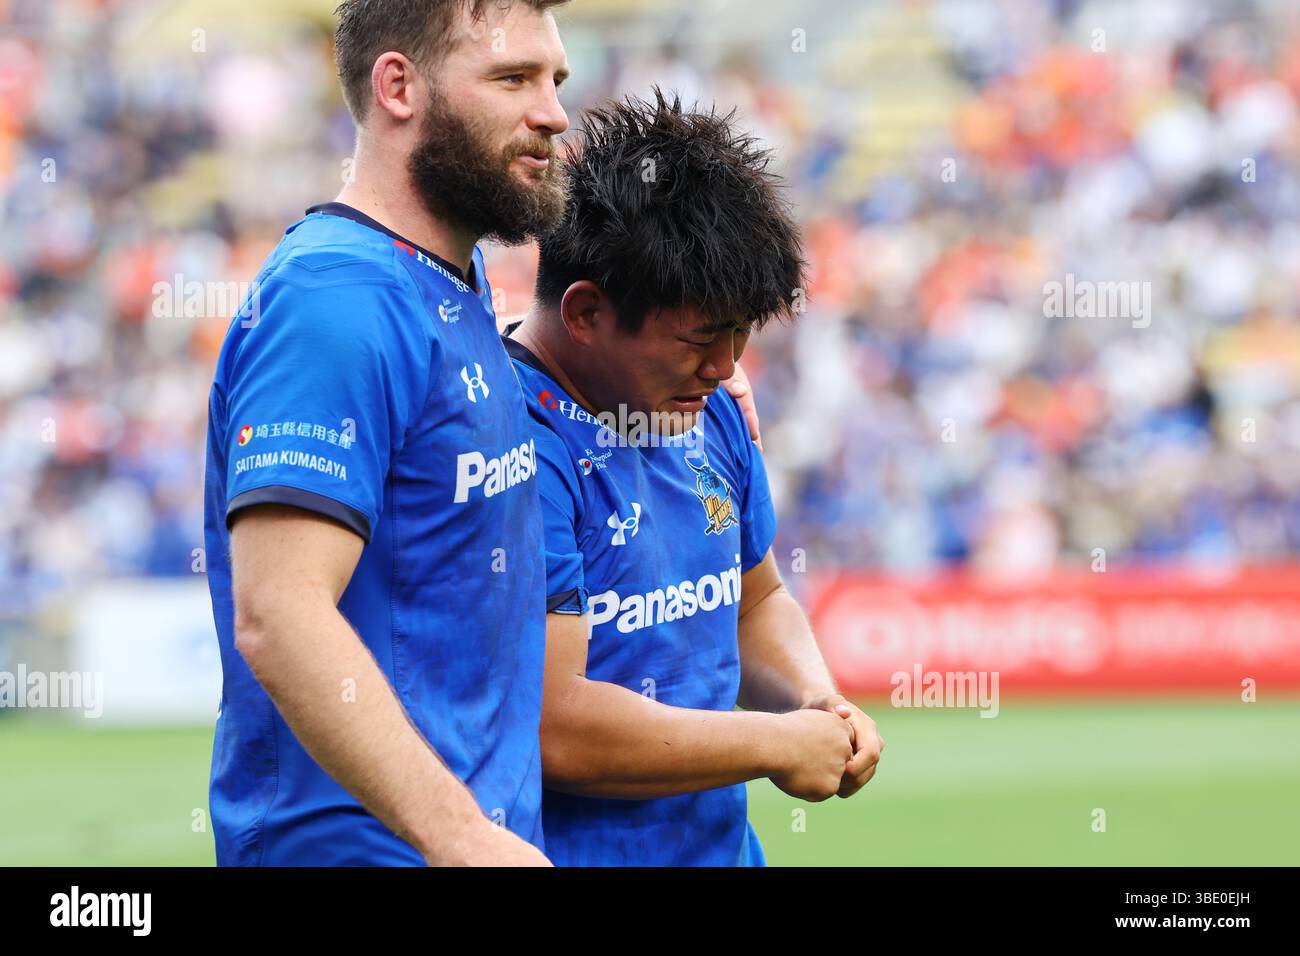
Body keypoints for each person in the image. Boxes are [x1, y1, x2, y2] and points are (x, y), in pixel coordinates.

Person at [203, 0, 571, 866]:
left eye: (555, 79)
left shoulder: (451, 274)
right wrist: (460, 836)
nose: (552, 110)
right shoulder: (332, 300)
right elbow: (279, 610)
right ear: (398, 85)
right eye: (513, 77)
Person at [504, 90, 886, 866]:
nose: (726, 368)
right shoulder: (507, 448)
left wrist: (817, 703)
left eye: (742, 336)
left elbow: (755, 602)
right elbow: (556, 726)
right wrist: (776, 742)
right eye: (702, 339)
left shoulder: (706, 409)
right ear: (584, 312)